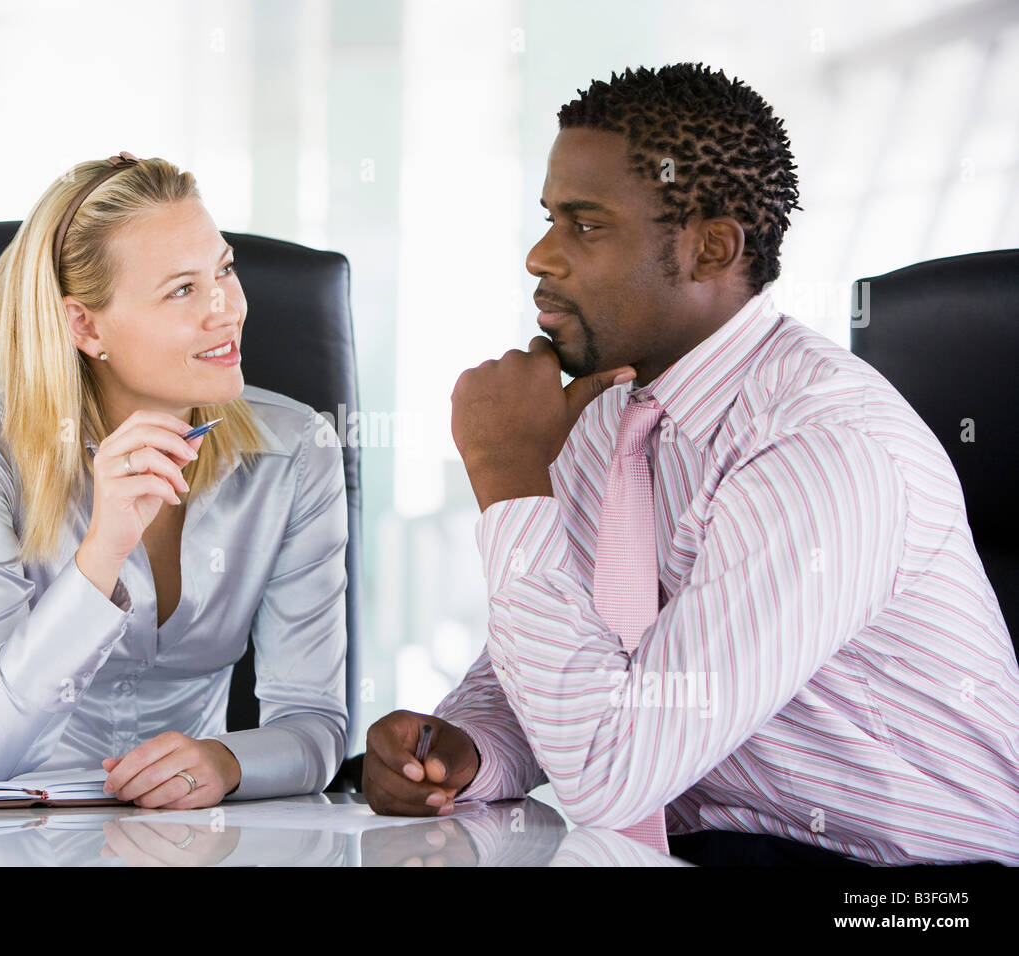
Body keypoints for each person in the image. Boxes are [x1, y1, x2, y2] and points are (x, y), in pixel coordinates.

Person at [362, 64, 1019, 865]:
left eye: (585, 225)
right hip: (716, 850)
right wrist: (470, 749)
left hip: (911, 888)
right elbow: (562, 668)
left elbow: (612, 770)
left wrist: (508, 476)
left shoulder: (821, 443)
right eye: (548, 219)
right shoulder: (613, 416)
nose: (540, 255)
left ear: (711, 249)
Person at [0, 152, 349, 809]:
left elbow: (314, 722)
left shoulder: (297, 449)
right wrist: (102, 554)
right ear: (85, 325)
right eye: (182, 289)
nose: (226, 310)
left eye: (224, 271)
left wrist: (227, 761)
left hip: (180, 836)